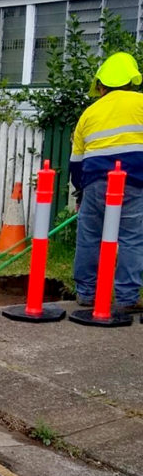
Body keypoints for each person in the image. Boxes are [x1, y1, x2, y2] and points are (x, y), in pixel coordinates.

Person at [70, 51, 143, 312]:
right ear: (131, 81)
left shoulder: (89, 113)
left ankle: (86, 294)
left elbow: (76, 161)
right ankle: (127, 298)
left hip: (96, 183)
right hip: (135, 182)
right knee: (132, 238)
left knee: (89, 237)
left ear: (101, 86)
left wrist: (80, 192)